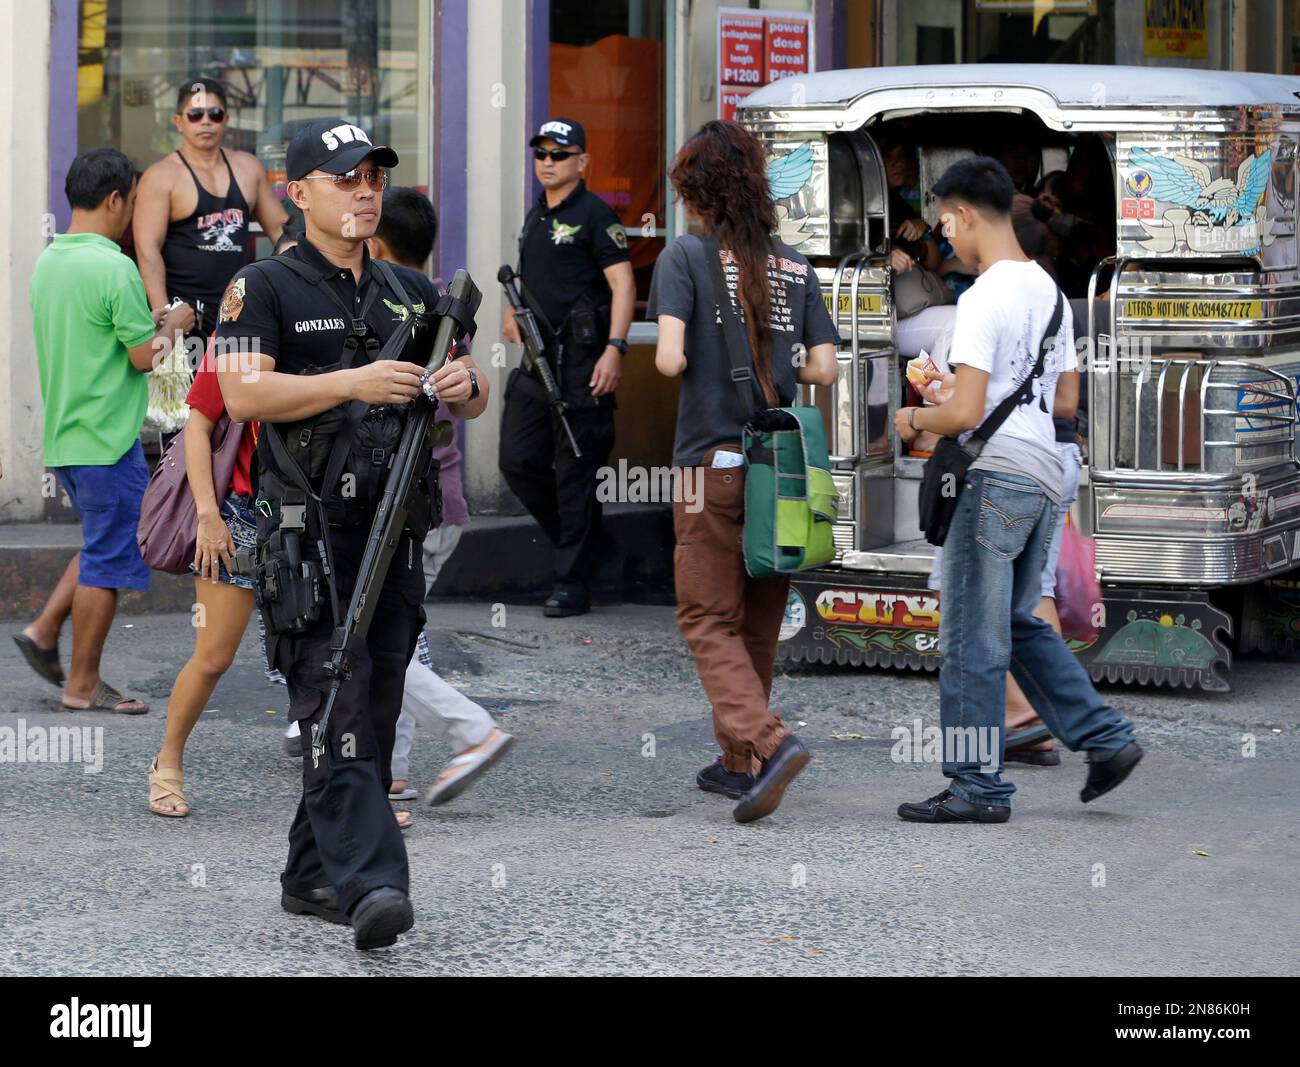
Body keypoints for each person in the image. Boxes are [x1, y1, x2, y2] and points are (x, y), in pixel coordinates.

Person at [217, 117, 488, 949]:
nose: (366, 192)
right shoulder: (261, 286)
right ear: (297, 192)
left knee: (370, 697)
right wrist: (353, 381)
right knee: (332, 691)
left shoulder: (410, 290)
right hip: (307, 534)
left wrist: (466, 382)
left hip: (393, 526)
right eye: (346, 178)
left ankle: (308, 874)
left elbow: (469, 397)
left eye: (374, 177)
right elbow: (240, 396)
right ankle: (372, 880)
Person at [893, 156, 1141, 824]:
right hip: (1041, 472)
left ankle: (976, 784)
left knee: (971, 636)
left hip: (994, 474)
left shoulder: (985, 297)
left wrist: (916, 414)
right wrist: (976, 396)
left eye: (945, 222)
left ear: (967, 213)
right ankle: (1106, 736)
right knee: (1014, 622)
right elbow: (1064, 397)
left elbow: (965, 412)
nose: (945, 236)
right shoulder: (1049, 291)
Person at [649, 120, 838, 824]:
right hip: (777, 467)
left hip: (711, 464)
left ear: (696, 193)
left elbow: (668, 359)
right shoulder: (794, 264)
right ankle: (741, 763)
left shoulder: (685, 258)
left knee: (706, 617)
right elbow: (823, 367)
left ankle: (770, 740)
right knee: (756, 624)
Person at [15, 148, 195, 713]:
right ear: (116, 199)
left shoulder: (50, 262)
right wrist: (175, 323)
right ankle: (83, 683)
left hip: (69, 439)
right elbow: (144, 357)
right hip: (109, 440)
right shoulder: (114, 266)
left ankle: (45, 631)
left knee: (101, 543)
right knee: (108, 559)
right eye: (133, 201)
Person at [366, 186, 513, 811]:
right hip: (440, 503)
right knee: (392, 634)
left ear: (375, 244)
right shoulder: (437, 305)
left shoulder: (404, 306)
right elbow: (470, 394)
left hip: (415, 506)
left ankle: (470, 731)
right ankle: (390, 770)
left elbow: (468, 392)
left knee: (377, 637)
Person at [148, 229, 301, 818]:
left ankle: (354, 784)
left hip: (313, 510)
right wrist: (208, 515)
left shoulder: (340, 328)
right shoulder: (240, 335)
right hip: (239, 512)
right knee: (213, 654)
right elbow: (198, 426)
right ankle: (167, 761)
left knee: (328, 650)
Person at [500, 117, 636, 617]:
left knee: (577, 474)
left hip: (584, 365)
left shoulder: (596, 215)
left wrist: (615, 349)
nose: (548, 163)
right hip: (537, 364)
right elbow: (528, 284)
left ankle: (571, 582)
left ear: (583, 162)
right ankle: (590, 549)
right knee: (518, 460)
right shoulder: (537, 214)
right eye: (542, 154)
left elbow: (623, 285)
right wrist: (511, 313)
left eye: (560, 154)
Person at [134, 78, 286, 339]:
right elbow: (147, 252)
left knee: (243, 380)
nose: (206, 121)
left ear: (226, 120)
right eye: (195, 114)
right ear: (178, 121)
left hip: (240, 311)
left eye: (214, 114)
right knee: (191, 381)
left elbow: (282, 232)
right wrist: (166, 317)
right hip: (187, 317)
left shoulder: (248, 168)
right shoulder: (161, 175)